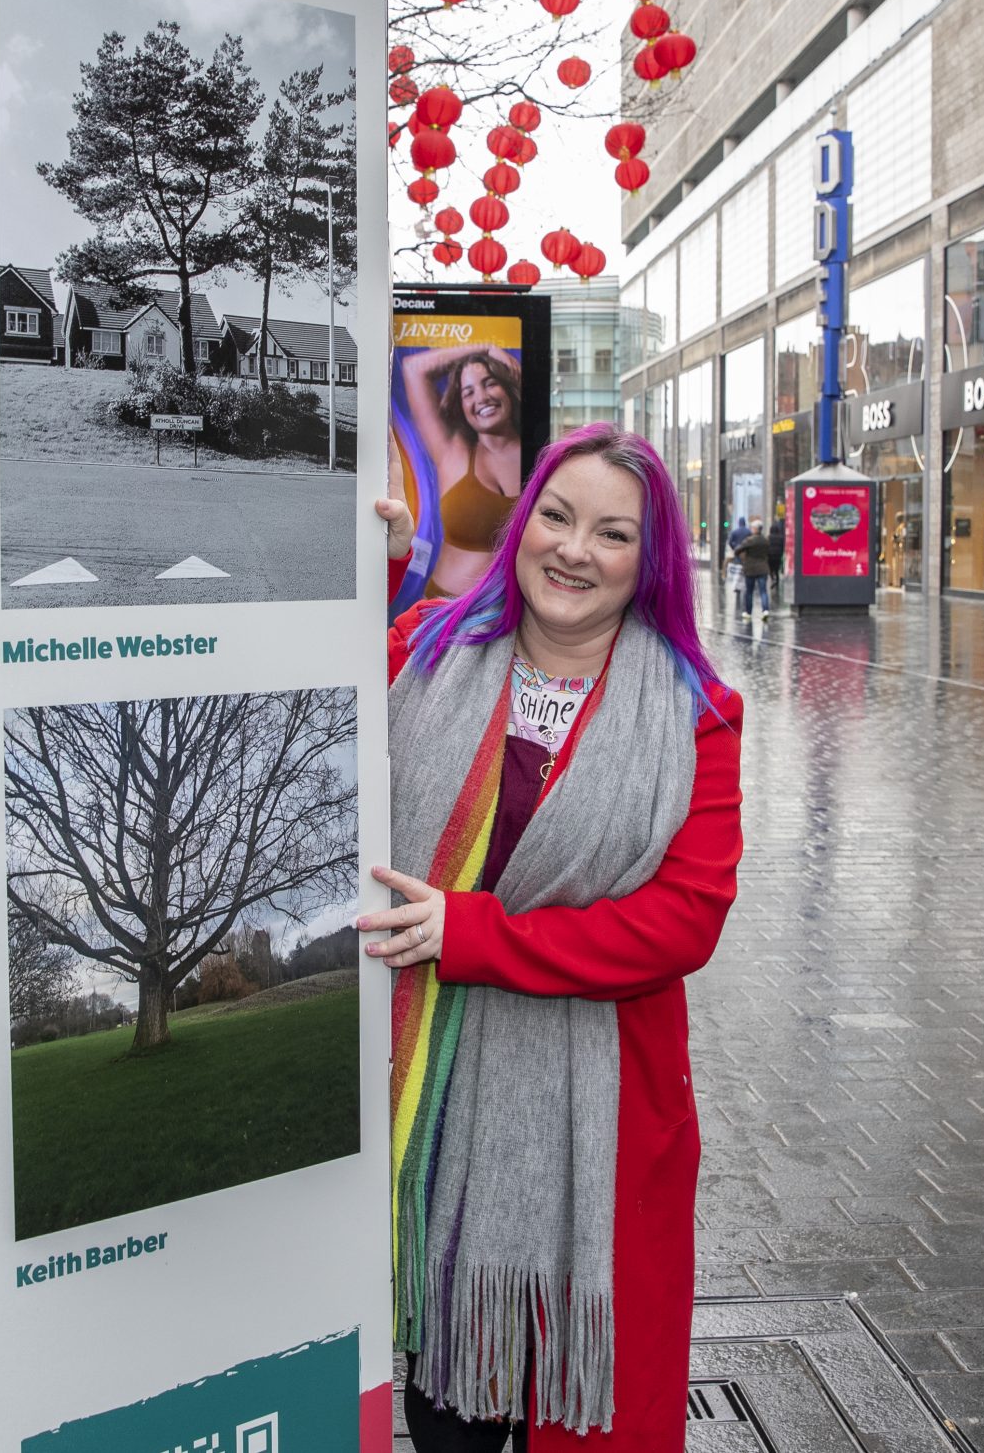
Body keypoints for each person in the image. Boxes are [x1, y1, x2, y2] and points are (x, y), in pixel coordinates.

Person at [366, 424, 742, 1453]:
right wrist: (375, 567)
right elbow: (310, 696)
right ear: (522, 521)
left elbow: (683, 920)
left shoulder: (695, 716)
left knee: (576, 1407)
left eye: (613, 534)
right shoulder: (423, 650)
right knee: (448, 1406)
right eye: (557, 516)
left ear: (648, 562)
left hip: (602, 1126)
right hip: (433, 1095)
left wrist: (473, 935)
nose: (575, 550)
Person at [401, 343, 525, 600]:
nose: (482, 398)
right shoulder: (452, 451)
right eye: (468, 392)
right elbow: (413, 369)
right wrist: (486, 348)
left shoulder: (537, 455)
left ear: (508, 386)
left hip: (506, 613)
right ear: (461, 404)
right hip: (442, 610)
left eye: (490, 383)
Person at [734, 522, 773, 620]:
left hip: (750, 569)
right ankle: (765, 610)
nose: (751, 529)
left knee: (749, 591)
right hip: (763, 568)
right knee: (763, 591)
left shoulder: (749, 540)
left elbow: (737, 550)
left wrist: (742, 557)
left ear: (755, 529)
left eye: (752, 528)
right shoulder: (765, 541)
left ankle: (748, 612)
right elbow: (769, 553)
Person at [763, 515, 786, 606]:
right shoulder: (781, 538)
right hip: (778, 556)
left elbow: (766, 547)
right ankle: (777, 581)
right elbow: (783, 547)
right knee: (776, 569)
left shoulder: (768, 537)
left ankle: (772, 579)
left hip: (770, 556)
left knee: (771, 569)